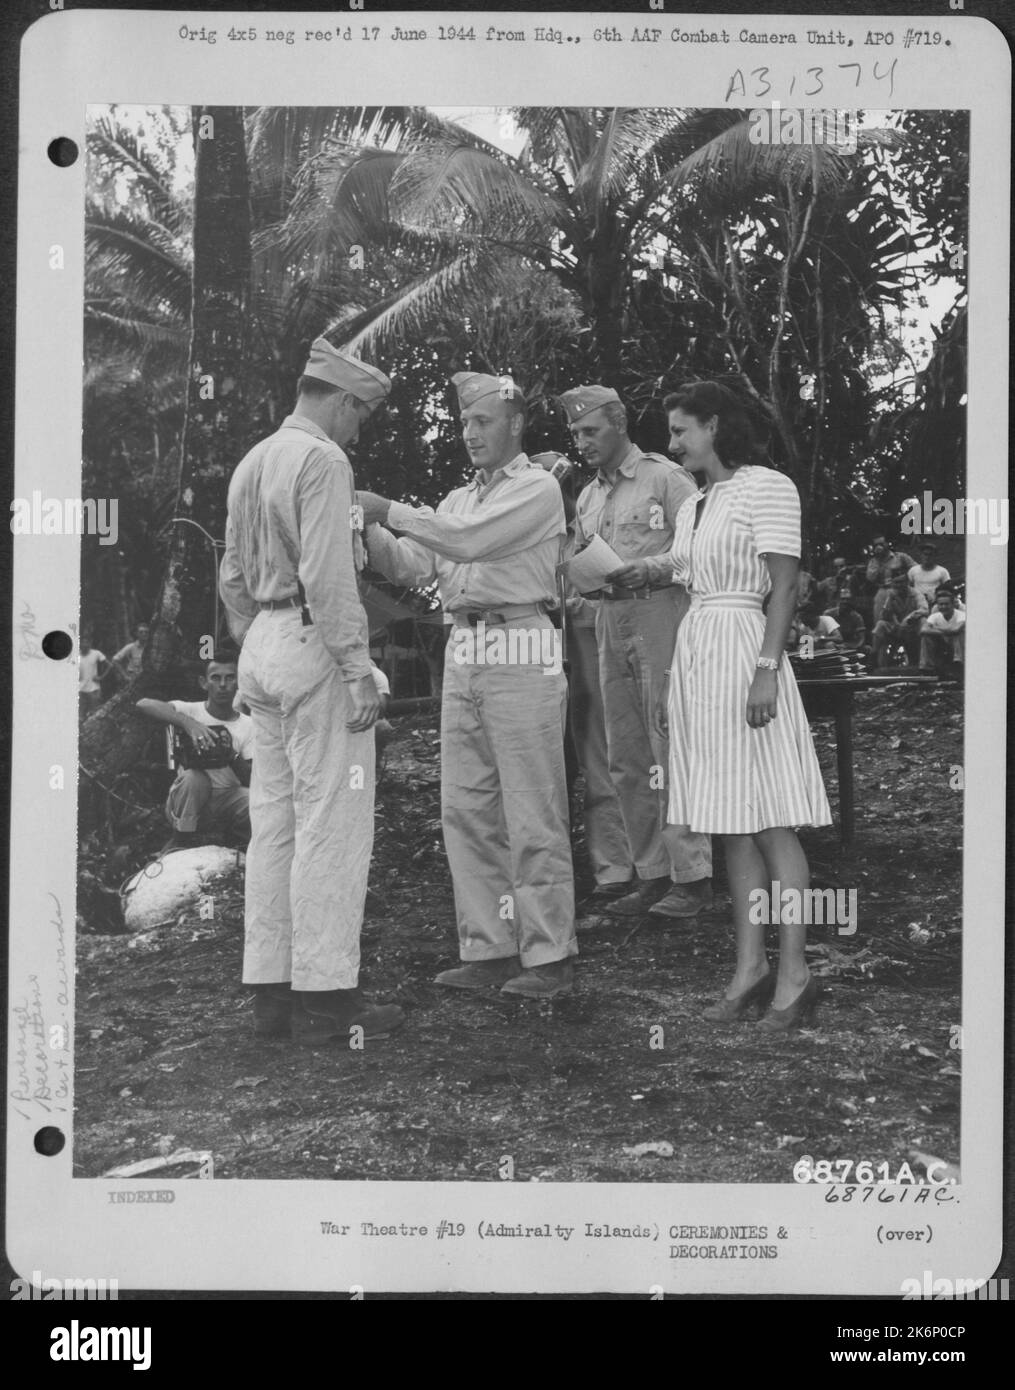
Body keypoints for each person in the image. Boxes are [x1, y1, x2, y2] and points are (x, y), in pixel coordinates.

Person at [610, 380, 832, 1031]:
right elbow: (684, 567)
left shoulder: (767, 486)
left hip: (745, 651)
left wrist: (765, 670)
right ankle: (748, 969)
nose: (672, 443)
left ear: (715, 426)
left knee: (769, 821)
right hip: (700, 653)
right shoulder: (698, 503)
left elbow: (784, 584)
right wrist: (633, 573)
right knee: (729, 823)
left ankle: (794, 974)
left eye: (681, 431)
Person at [359, 372, 577, 999]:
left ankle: (550, 955)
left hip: (522, 641)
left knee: (532, 803)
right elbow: (412, 565)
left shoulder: (536, 489)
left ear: (514, 423)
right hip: (466, 643)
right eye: (463, 424)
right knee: (467, 805)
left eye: (483, 422)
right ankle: (491, 947)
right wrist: (368, 528)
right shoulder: (457, 499)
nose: (471, 434)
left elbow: (473, 543)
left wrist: (387, 508)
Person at [219, 337, 404, 1044]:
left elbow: (232, 576)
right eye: (361, 415)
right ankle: (328, 998)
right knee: (332, 824)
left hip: (263, 642)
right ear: (344, 401)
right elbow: (329, 578)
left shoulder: (253, 460)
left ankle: (270, 992)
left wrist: (257, 643)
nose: (359, 430)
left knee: (274, 824)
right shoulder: (323, 459)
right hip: (311, 642)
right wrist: (356, 667)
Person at [563, 383, 713, 921]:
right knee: (626, 754)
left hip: (660, 614)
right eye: (575, 434)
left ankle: (692, 875)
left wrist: (648, 567)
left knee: (668, 744)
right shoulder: (589, 496)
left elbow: (698, 548)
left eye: (590, 431)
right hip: (608, 619)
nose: (581, 442)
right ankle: (651, 872)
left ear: (620, 423)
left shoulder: (664, 477)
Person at [530, 450, 633, 904]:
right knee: (543, 765)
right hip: (533, 654)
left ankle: (614, 867)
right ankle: (552, 873)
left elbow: (609, 578)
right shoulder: (518, 527)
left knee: (598, 756)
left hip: (587, 645)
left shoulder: (588, 517)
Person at [136, 651, 253, 850]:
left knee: (253, 800)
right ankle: (180, 840)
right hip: (188, 799)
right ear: (203, 682)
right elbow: (143, 704)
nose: (223, 685)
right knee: (194, 778)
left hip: (227, 797)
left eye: (230, 678)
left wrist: (230, 755)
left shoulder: (249, 725)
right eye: (215, 678)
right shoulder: (191, 710)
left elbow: (252, 779)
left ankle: (238, 845)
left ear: (238, 683)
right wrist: (189, 724)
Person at [870, 572, 925, 669]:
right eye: (896, 583)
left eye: (901, 582)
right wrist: (888, 606)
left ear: (907, 582)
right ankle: (873, 656)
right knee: (880, 625)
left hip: (912, 629)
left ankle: (923, 661)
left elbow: (924, 609)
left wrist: (910, 617)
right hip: (897, 628)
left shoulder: (916, 594)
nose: (899, 585)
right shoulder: (892, 595)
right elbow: (884, 616)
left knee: (923, 621)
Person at [865, 532, 916, 624]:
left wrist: (906, 578)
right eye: (876, 545)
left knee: (903, 617)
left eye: (881, 544)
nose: (879, 547)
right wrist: (879, 560)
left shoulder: (900, 557)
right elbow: (870, 578)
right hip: (883, 590)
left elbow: (916, 569)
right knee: (879, 617)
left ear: (887, 544)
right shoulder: (874, 561)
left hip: (900, 589)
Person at [919, 587, 965, 676]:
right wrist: (946, 632)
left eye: (946, 604)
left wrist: (935, 629)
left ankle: (958, 664)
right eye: (941, 604)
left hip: (958, 647)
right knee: (926, 637)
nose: (943, 607)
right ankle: (926, 667)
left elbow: (956, 629)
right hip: (941, 645)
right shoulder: (935, 616)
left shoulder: (961, 615)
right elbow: (923, 630)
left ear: (952, 604)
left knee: (958, 634)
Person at [823, 588, 869, 655]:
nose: (845, 602)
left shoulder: (856, 617)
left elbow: (861, 639)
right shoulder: (828, 614)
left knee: (867, 649)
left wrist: (850, 646)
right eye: (843, 599)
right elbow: (822, 633)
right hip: (832, 643)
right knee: (829, 645)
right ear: (838, 600)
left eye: (848, 599)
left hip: (849, 645)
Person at [907, 542, 952, 610]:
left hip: (936, 605)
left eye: (930, 555)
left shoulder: (942, 571)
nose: (927, 557)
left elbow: (948, 590)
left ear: (935, 556)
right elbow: (908, 588)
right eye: (925, 554)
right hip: (918, 604)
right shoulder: (913, 570)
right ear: (921, 555)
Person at [78, 633, 110, 720]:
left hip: (93, 688)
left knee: (95, 714)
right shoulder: (76, 655)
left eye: (87, 642)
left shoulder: (96, 653)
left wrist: (101, 677)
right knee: (80, 715)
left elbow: (109, 665)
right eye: (82, 642)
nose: (84, 644)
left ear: (90, 643)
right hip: (80, 689)